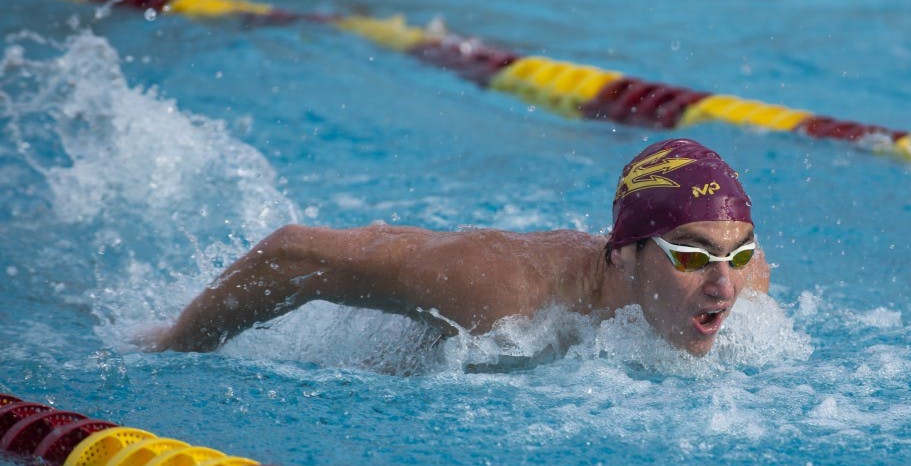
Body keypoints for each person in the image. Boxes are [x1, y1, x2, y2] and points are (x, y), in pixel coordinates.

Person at [143, 138, 769, 357]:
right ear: (622, 253)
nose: (724, 285)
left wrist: (725, 256)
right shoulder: (505, 294)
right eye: (689, 255)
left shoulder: (743, 280)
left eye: (737, 253)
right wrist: (177, 344)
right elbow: (295, 255)